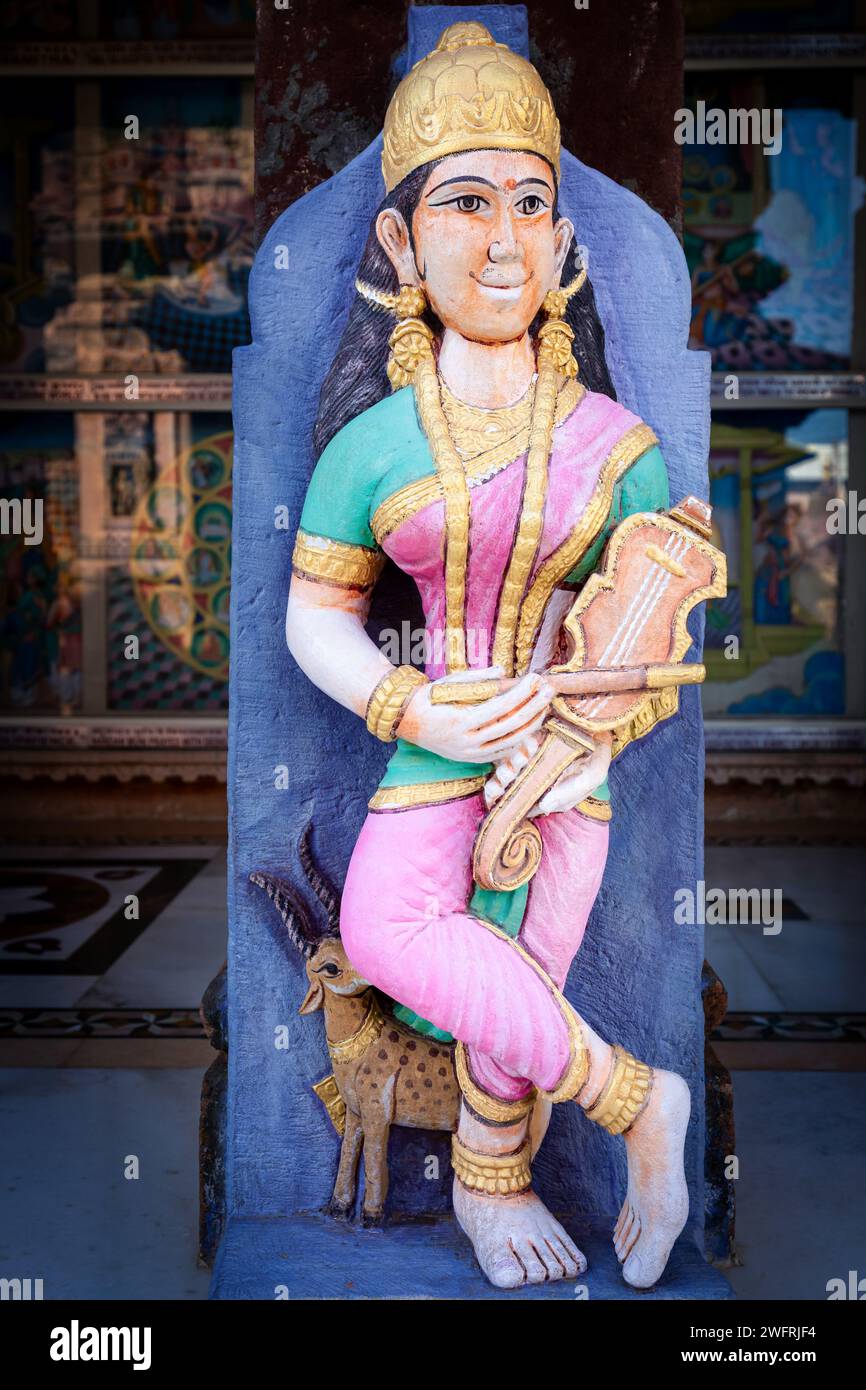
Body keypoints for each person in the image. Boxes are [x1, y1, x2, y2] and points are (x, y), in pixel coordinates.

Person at [285, 22, 689, 1290]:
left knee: (518, 974)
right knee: (388, 929)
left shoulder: (620, 448)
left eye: (530, 205)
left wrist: (585, 744)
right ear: (402, 244)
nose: (504, 239)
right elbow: (312, 623)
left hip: (567, 760)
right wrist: (414, 703)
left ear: (564, 242)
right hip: (428, 737)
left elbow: (657, 620)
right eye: (464, 203)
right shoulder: (368, 447)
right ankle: (640, 1103)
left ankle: (487, 1178)